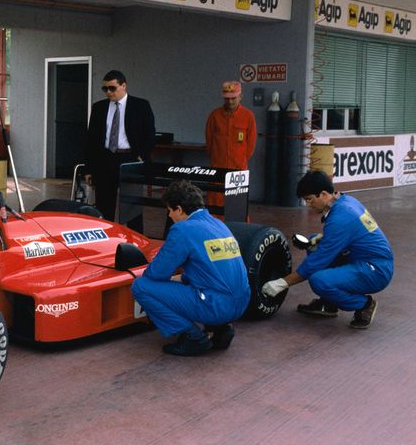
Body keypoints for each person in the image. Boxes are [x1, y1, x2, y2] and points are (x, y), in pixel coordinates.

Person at [131, 180, 250, 356]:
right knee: (195, 285)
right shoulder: (218, 224)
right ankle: (221, 329)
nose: (170, 215)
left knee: (141, 286)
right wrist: (180, 279)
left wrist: (166, 279)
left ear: (179, 209)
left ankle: (193, 337)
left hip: (216, 306)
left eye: (170, 210)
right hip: (241, 303)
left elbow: (157, 273)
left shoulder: (182, 229)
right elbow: (212, 269)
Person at [261, 171, 394, 328]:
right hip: (363, 258)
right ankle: (328, 303)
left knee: (319, 280)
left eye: (309, 199)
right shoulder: (345, 200)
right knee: (313, 243)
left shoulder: (341, 217)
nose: (308, 205)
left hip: (376, 269)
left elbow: (316, 263)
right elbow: (352, 232)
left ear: (323, 194)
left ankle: (364, 304)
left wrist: (282, 283)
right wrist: (323, 237)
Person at [83, 69, 155, 221]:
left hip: (130, 158)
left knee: (132, 207)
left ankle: (135, 240)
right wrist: (89, 168)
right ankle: (107, 237)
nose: (108, 92)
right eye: (105, 89)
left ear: (123, 86)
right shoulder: (99, 108)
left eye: (112, 88)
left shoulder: (140, 106)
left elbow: (150, 134)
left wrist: (142, 157)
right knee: (103, 205)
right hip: (105, 159)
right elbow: (91, 140)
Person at [205, 80, 256, 207]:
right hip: (217, 167)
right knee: (215, 202)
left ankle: (237, 227)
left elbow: (251, 144)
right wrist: (216, 159)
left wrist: (240, 160)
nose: (230, 102)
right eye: (227, 99)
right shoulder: (215, 115)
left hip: (238, 169)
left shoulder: (248, 116)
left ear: (240, 97)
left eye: (233, 98)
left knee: (237, 205)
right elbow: (209, 140)